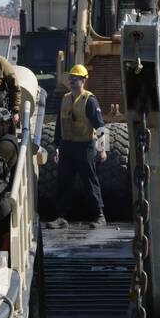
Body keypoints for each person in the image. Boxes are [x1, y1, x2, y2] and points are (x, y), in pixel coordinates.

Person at [48, 64, 106, 229]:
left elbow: (101, 127)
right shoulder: (65, 99)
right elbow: (60, 125)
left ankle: (100, 216)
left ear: (84, 80)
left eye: (76, 79)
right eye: (71, 78)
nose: (72, 81)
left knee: (89, 181)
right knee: (63, 181)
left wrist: (102, 149)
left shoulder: (90, 100)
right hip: (67, 146)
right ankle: (61, 217)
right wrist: (57, 147)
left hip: (85, 146)